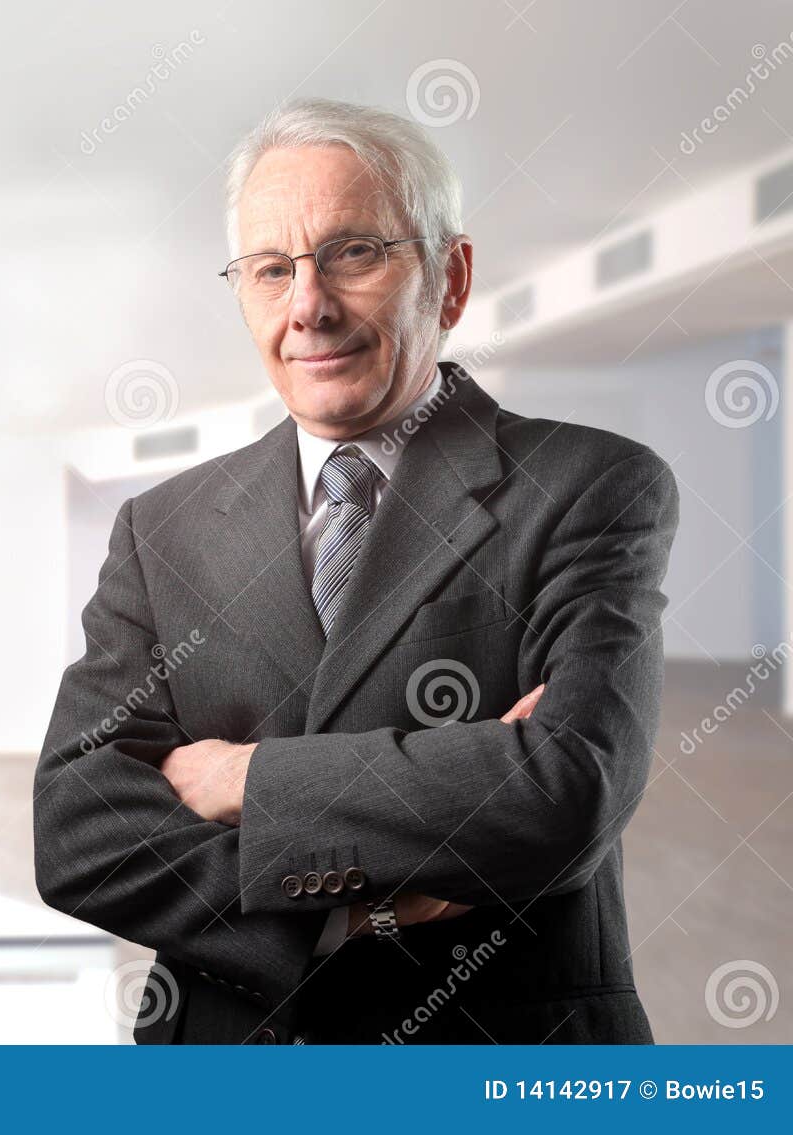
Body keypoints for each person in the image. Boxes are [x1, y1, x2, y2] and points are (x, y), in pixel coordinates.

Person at [33, 98, 679, 1045]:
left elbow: (563, 789)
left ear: (450, 280)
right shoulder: (161, 527)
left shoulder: (588, 486)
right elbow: (77, 827)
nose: (308, 306)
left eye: (354, 253)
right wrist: (344, 914)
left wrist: (246, 778)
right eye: (270, 269)